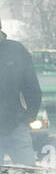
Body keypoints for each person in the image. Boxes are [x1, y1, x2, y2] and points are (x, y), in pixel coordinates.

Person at [0, 24, 41, 166]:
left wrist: (31, 114)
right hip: (16, 123)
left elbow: (31, 86)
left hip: (15, 124)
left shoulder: (16, 50)